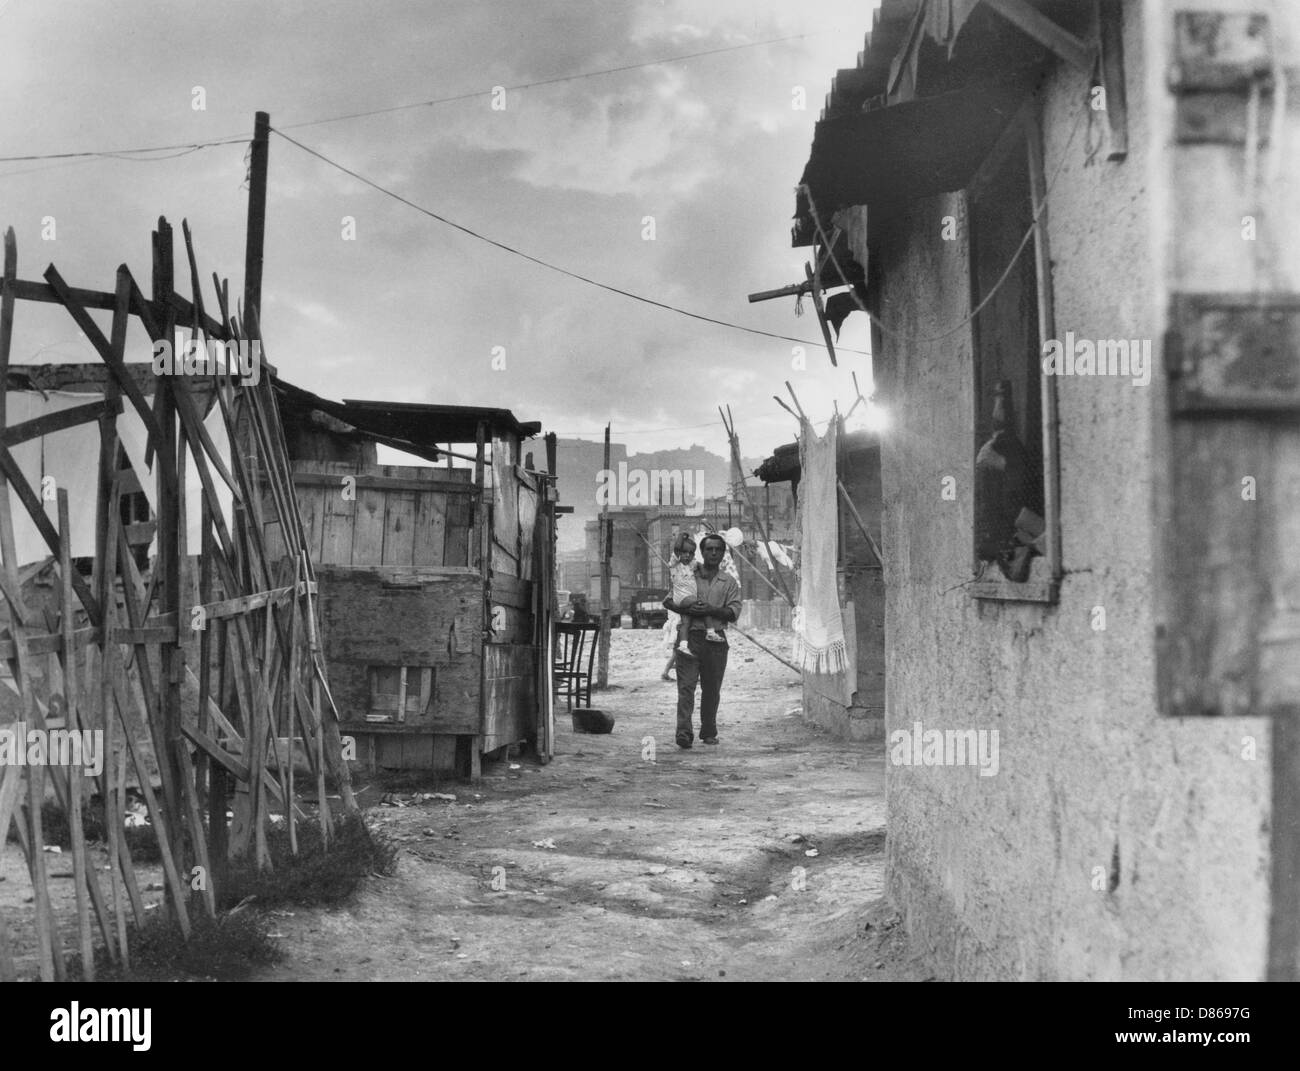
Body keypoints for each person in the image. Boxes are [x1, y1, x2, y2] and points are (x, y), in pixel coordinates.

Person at [662, 532, 743, 749]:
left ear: (724, 553)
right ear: (702, 552)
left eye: (718, 549)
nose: (714, 553)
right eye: (709, 549)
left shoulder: (729, 582)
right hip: (689, 639)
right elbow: (668, 601)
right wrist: (687, 608)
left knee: (711, 689)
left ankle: (708, 731)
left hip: (716, 641)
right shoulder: (687, 573)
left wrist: (711, 610)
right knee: (686, 688)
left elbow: (733, 612)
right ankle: (683, 733)